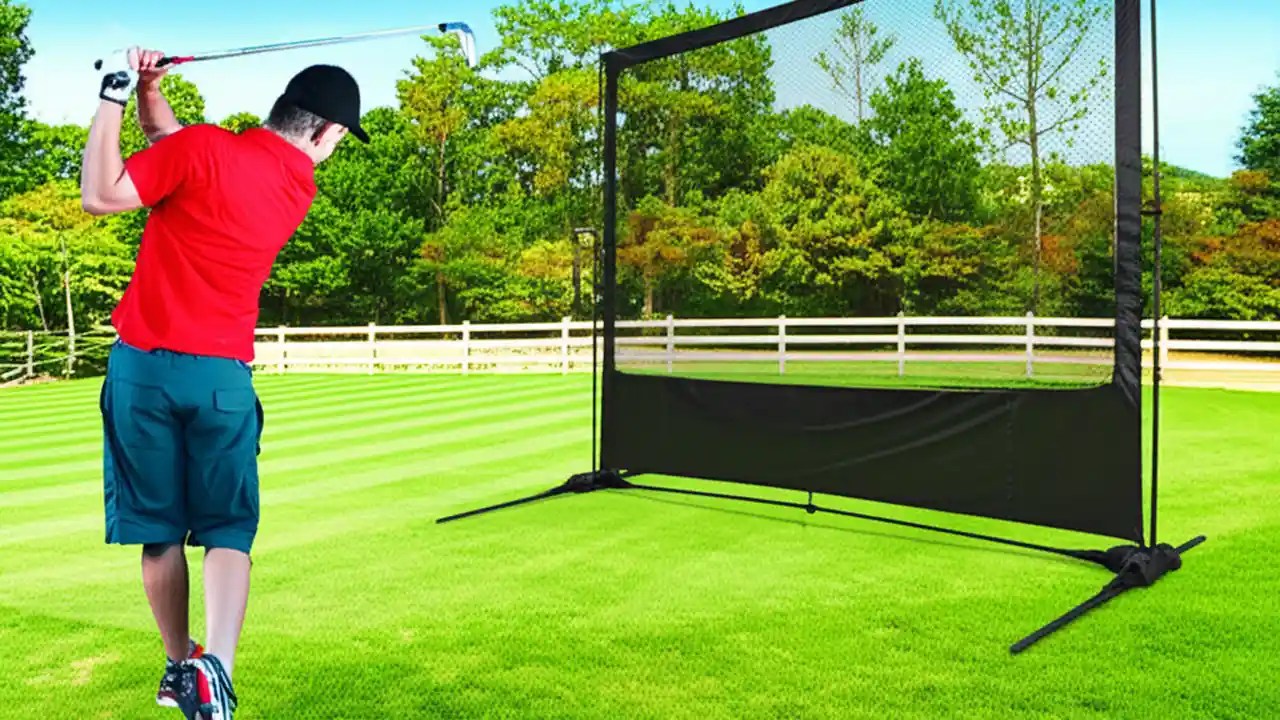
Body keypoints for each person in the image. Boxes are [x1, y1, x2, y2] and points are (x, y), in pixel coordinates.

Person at [81, 47, 368, 720]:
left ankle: (181, 663)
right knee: (228, 530)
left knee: (158, 531)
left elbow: (104, 193)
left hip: (144, 371)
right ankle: (220, 673)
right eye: (338, 142)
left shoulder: (206, 150)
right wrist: (150, 91)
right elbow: (172, 147)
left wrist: (114, 95)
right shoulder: (296, 183)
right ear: (322, 133)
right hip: (222, 380)